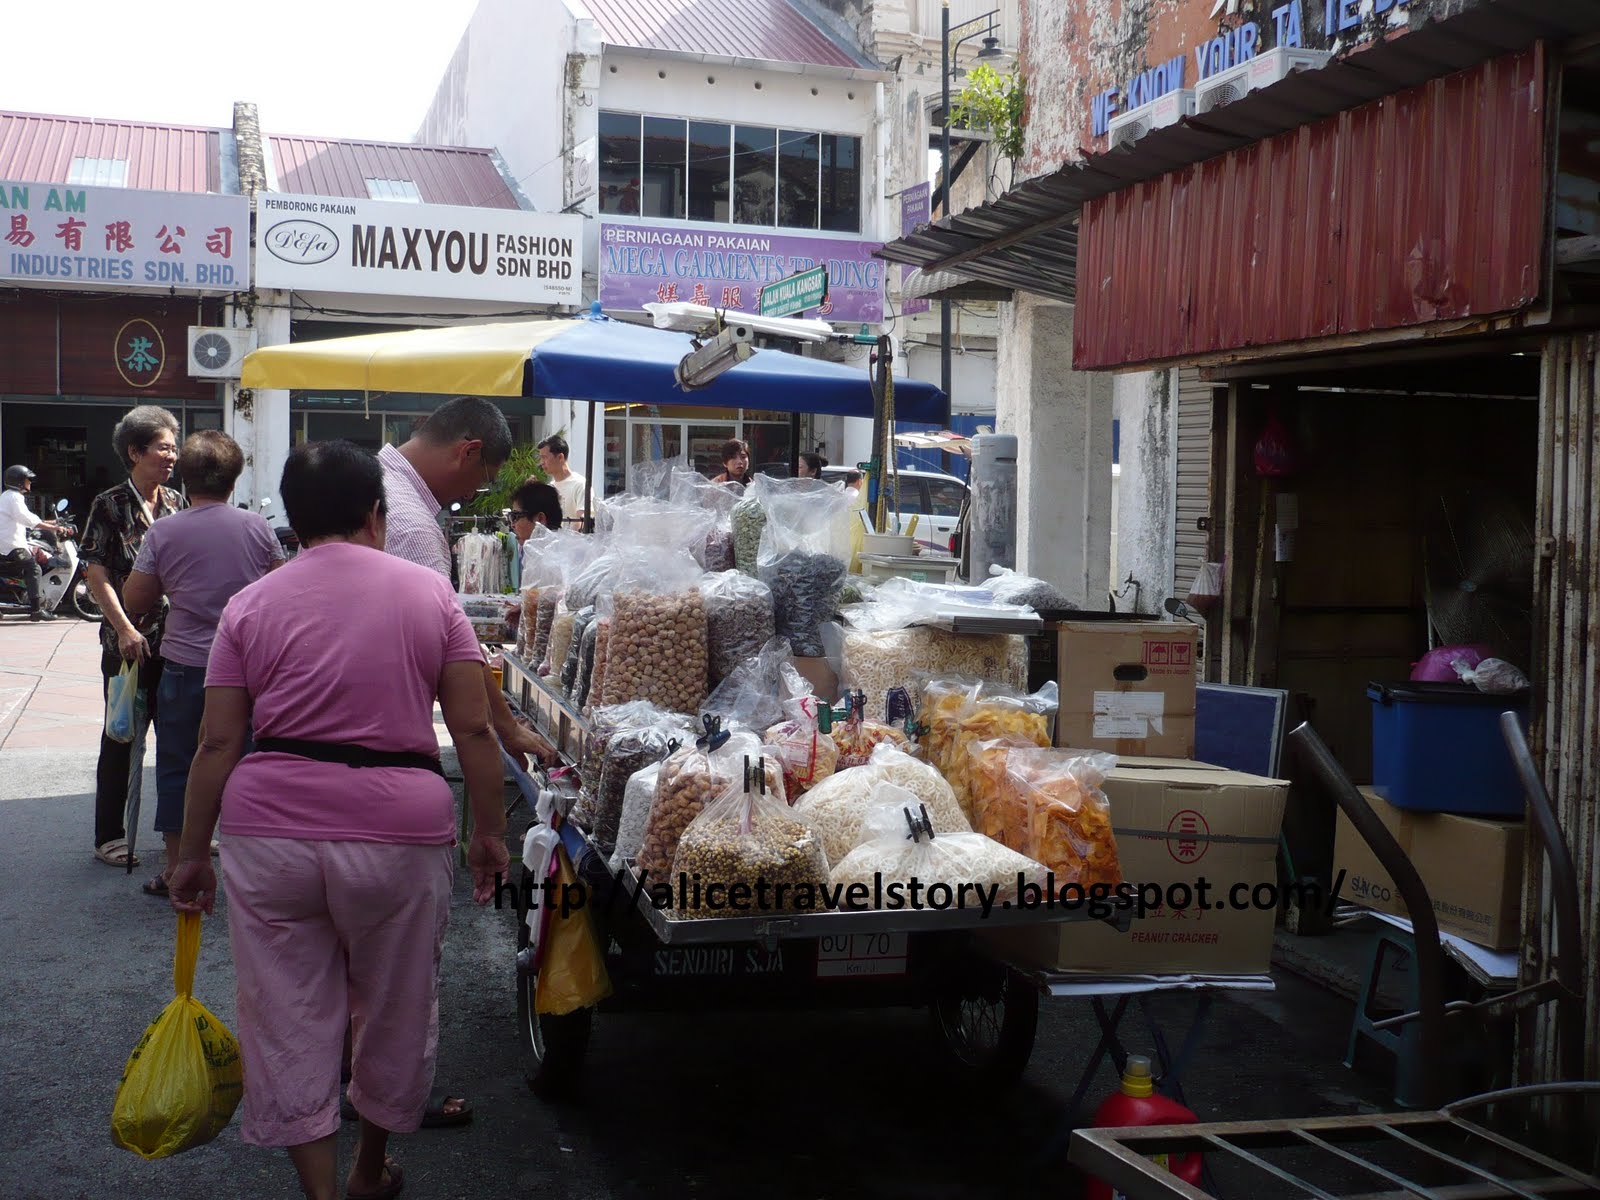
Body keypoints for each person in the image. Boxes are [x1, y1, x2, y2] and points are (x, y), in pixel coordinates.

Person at [166, 440, 507, 1200]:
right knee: (394, 1005)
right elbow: (476, 730)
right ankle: (366, 1170)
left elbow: (218, 741)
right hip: (400, 831)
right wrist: (490, 835)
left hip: (270, 834)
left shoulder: (249, 605)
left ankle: (320, 1191)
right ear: (375, 514)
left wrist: (191, 856)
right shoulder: (430, 595)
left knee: (285, 1013)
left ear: (292, 518)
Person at [377, 396, 554, 1130]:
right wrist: (491, 831)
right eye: (479, 482)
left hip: (287, 796)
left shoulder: (377, 488)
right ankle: (386, 1103)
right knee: (394, 959)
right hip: (386, 774)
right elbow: (463, 705)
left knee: (324, 971)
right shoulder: (416, 530)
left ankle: (342, 1107)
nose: (474, 498)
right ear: (468, 451)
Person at [121, 431, 284, 898]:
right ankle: (252, 868)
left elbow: (135, 598)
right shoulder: (257, 528)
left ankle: (177, 867)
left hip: (186, 665)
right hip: (250, 671)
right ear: (235, 479)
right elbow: (279, 592)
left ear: (185, 479)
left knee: (178, 764)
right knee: (251, 763)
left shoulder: (165, 530)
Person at [80, 405, 185, 869]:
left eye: (174, 447)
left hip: (176, 645)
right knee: (120, 737)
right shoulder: (110, 504)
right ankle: (109, 835)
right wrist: (123, 626)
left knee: (179, 739)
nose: (172, 456)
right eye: (163, 447)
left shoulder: (178, 503)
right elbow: (95, 570)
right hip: (126, 647)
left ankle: (179, 831)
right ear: (135, 451)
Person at [1, 464, 73, 621]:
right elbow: (27, 519)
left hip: (10, 543)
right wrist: (53, 527)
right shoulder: (14, 497)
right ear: (19, 482)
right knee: (34, 569)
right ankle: (36, 610)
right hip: (10, 545)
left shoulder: (8, 496)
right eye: (27, 480)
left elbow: (27, 519)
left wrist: (52, 523)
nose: (30, 483)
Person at [537, 434, 588, 529]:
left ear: (560, 457)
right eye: (541, 458)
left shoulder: (580, 484)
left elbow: (583, 521)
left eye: (545, 457)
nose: (541, 462)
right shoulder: (549, 488)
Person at [509, 479, 563, 546]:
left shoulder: (557, 554)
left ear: (540, 519)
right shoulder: (563, 547)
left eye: (515, 516)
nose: (512, 525)